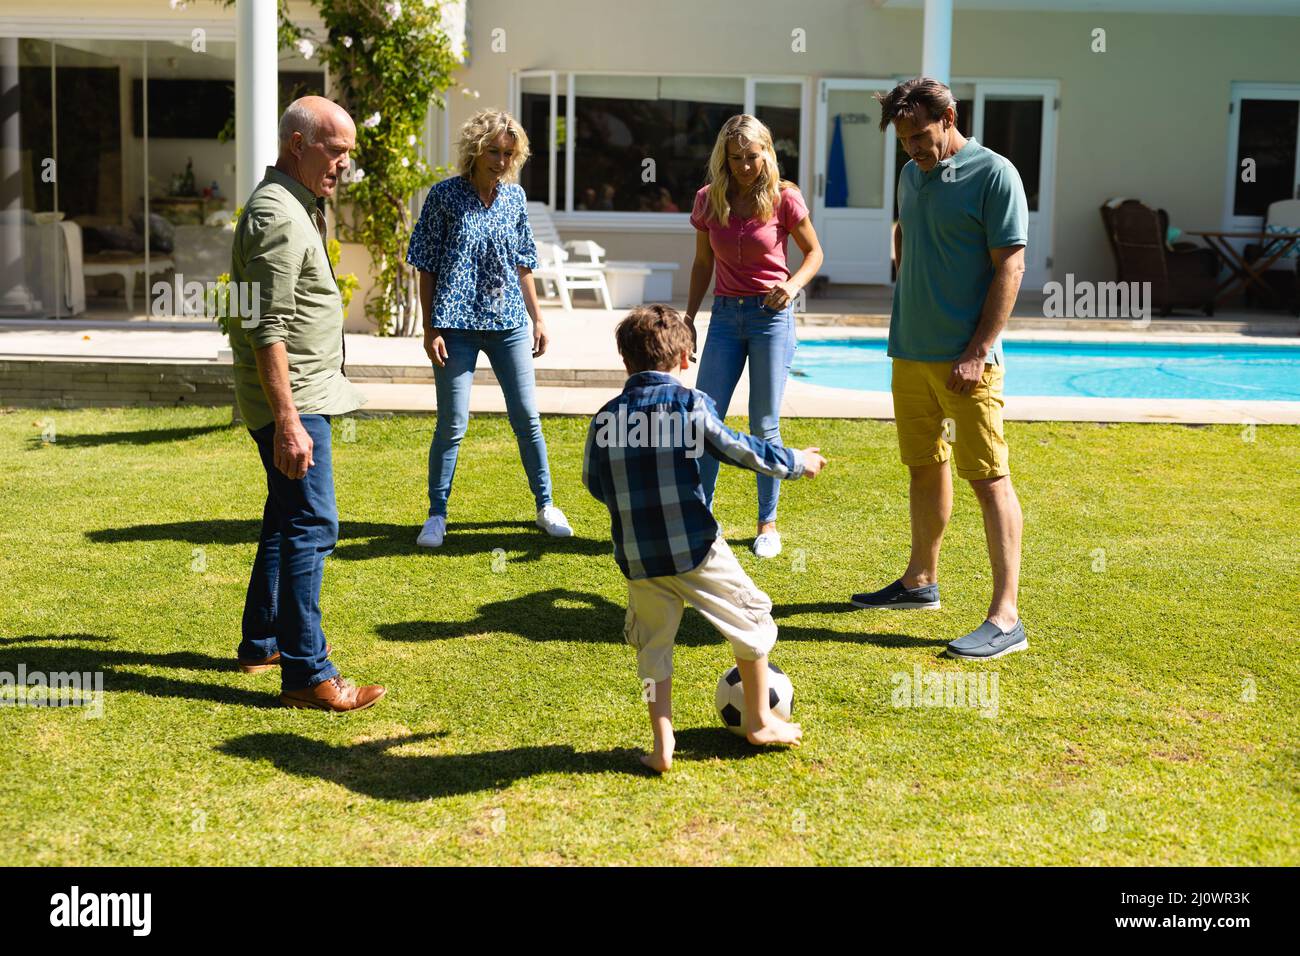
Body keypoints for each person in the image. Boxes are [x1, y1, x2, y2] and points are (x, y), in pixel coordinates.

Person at [582, 305, 828, 773]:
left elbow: (595, 483)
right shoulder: (688, 405)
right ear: (684, 358)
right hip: (695, 547)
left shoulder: (606, 418)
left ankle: (661, 746)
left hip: (639, 558)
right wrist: (794, 460)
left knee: (653, 650)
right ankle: (758, 721)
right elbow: (737, 448)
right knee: (752, 619)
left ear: (625, 361)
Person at [850, 77, 1030, 662]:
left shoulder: (995, 173)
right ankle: (919, 581)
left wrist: (978, 350)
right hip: (911, 352)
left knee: (988, 477)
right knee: (924, 467)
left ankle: (1006, 617)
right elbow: (908, 235)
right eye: (902, 140)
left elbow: (1012, 267)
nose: (912, 149)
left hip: (966, 360)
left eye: (920, 135)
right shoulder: (910, 174)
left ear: (949, 116)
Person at [229, 96, 384, 712]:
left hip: (297, 395)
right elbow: (265, 325)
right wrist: (288, 422)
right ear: (299, 144)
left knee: (283, 517)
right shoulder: (279, 215)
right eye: (336, 150)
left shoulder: (292, 205)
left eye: (348, 151)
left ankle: (261, 642)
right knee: (312, 525)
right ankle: (308, 673)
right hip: (293, 402)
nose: (344, 164)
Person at [406, 108, 573, 548]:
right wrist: (429, 329)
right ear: (475, 150)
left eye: (508, 153)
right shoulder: (443, 196)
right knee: (452, 424)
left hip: (509, 324)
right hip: (454, 325)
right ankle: (437, 515)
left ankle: (545, 504)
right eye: (493, 151)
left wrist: (538, 317)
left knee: (527, 418)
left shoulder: (515, 199)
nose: (500, 160)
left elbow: (523, 264)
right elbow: (426, 264)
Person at [685, 114, 824, 559]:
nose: (745, 166)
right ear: (724, 159)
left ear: (767, 153)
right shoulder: (709, 200)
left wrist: (793, 284)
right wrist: (688, 318)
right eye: (736, 158)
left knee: (764, 422)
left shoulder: (785, 199)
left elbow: (814, 253)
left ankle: (767, 523)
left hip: (771, 316)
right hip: (725, 317)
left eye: (753, 156)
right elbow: (703, 264)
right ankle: (702, 520)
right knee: (703, 418)